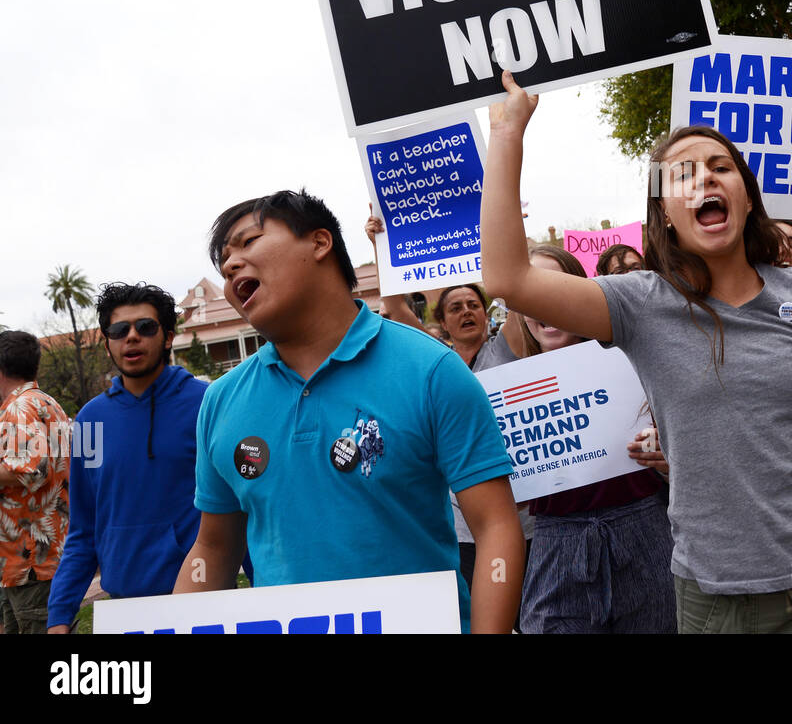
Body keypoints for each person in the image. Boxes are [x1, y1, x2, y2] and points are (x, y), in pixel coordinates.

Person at [482, 71, 792, 634]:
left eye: (721, 167)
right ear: (666, 215)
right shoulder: (636, 304)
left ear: (747, 196)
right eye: (683, 174)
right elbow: (507, 276)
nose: (705, 178)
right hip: (721, 606)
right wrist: (507, 136)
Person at [177, 189, 524, 633]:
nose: (230, 266)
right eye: (224, 261)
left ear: (320, 243)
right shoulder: (221, 401)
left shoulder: (432, 370)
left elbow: (495, 526)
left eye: (248, 242)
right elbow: (213, 549)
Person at [508, 244, 675, 634]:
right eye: (530, 293)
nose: (544, 305)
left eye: (553, 287)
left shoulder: (639, 362)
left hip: (646, 535)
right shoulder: (504, 391)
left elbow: (698, 459)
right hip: (556, 547)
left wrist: (670, 458)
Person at [47, 283, 212, 634]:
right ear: (108, 342)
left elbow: (241, 509)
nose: (132, 337)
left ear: (167, 337)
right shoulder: (89, 421)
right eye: (119, 330)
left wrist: (267, 594)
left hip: (204, 602)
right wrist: (59, 615)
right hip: (126, 613)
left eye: (145, 327)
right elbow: (82, 528)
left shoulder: (208, 405)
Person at [0, 331, 69, 635]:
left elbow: (31, 468)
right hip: (44, 558)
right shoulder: (47, 403)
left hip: (29, 562)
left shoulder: (18, 409)